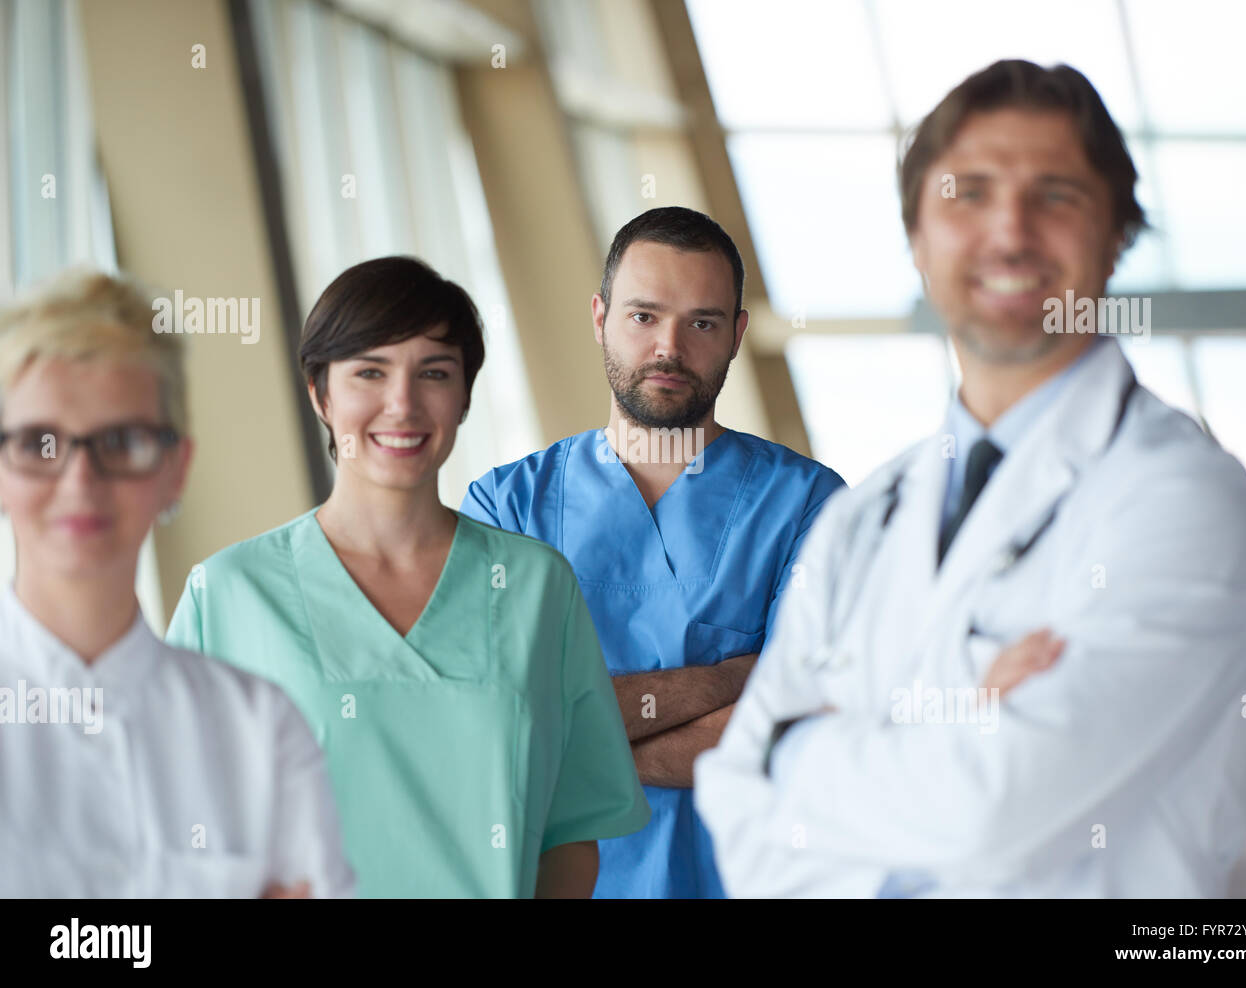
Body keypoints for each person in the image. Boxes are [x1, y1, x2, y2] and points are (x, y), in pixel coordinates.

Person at [695, 59, 1246, 898]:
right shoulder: (866, 516)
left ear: (1117, 236)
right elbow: (740, 819)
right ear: (917, 239)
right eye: (968, 193)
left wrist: (797, 748)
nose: (1009, 231)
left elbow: (990, 806)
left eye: (1057, 194)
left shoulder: (1181, 499)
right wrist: (953, 728)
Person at [166, 256, 649, 898]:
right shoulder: (228, 595)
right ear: (320, 392)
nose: (403, 404)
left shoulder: (537, 588)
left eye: (434, 373)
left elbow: (571, 830)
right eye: (370, 371)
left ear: (465, 397)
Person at [460, 207, 846, 898]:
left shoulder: (809, 506)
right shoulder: (505, 508)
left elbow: (797, 730)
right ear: (600, 317)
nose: (669, 347)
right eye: (644, 316)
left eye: (702, 322)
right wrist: (735, 679)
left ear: (736, 334)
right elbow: (493, 729)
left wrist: (566, 736)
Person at [0, 269, 353, 897]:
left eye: (123, 441)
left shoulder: (259, 732)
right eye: (41, 443)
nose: (81, 480)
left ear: (176, 468)